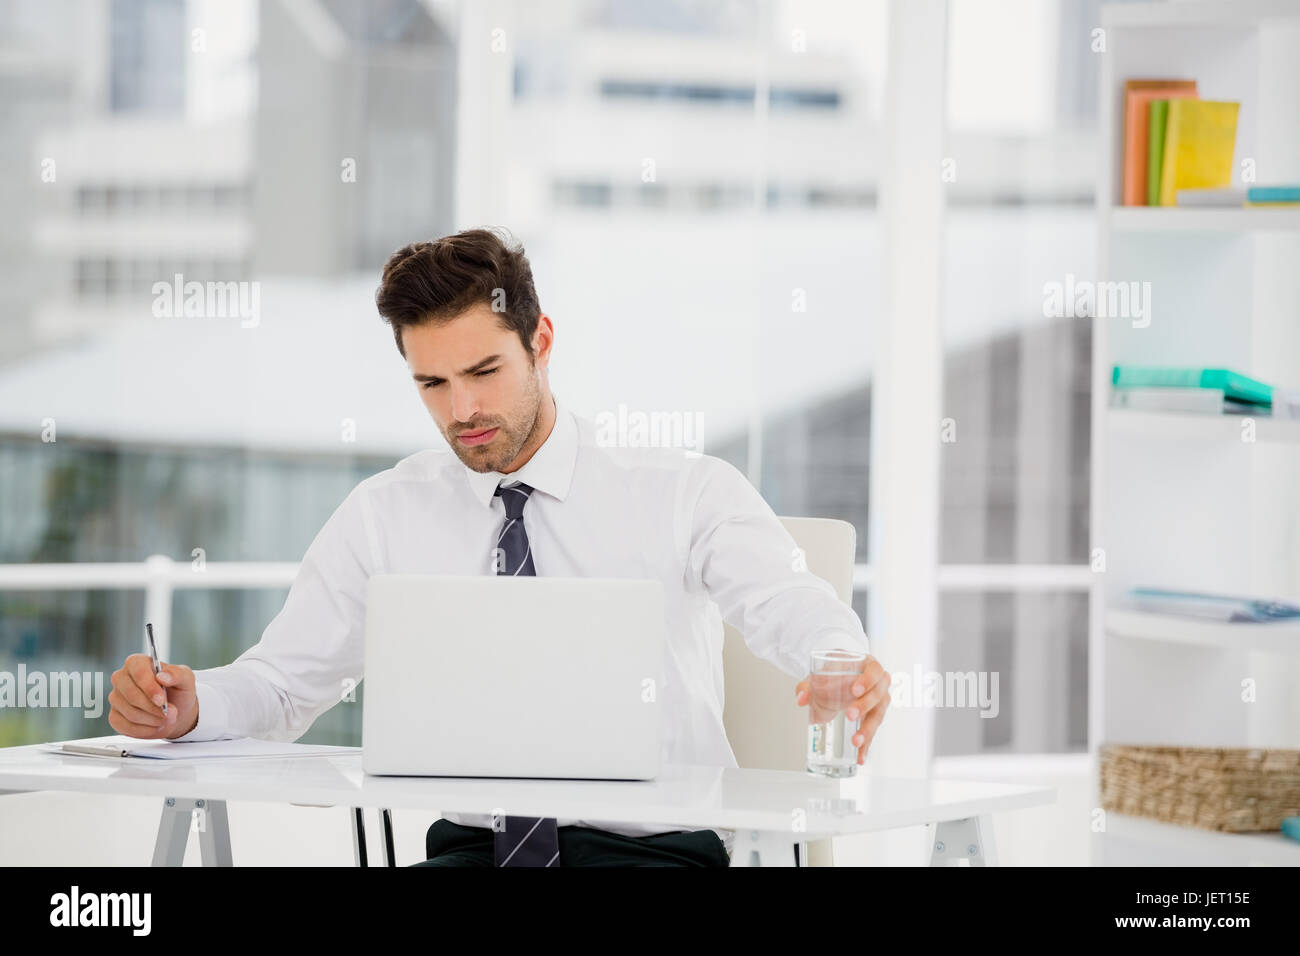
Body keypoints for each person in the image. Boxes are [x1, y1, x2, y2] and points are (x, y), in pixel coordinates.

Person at [107, 227, 892, 867]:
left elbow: (785, 600)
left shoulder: (681, 489)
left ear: (540, 341)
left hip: (653, 856)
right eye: (434, 384)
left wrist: (840, 665)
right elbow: (281, 688)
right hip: (470, 856)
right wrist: (191, 705)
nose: (465, 408)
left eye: (485, 369)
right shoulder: (387, 512)